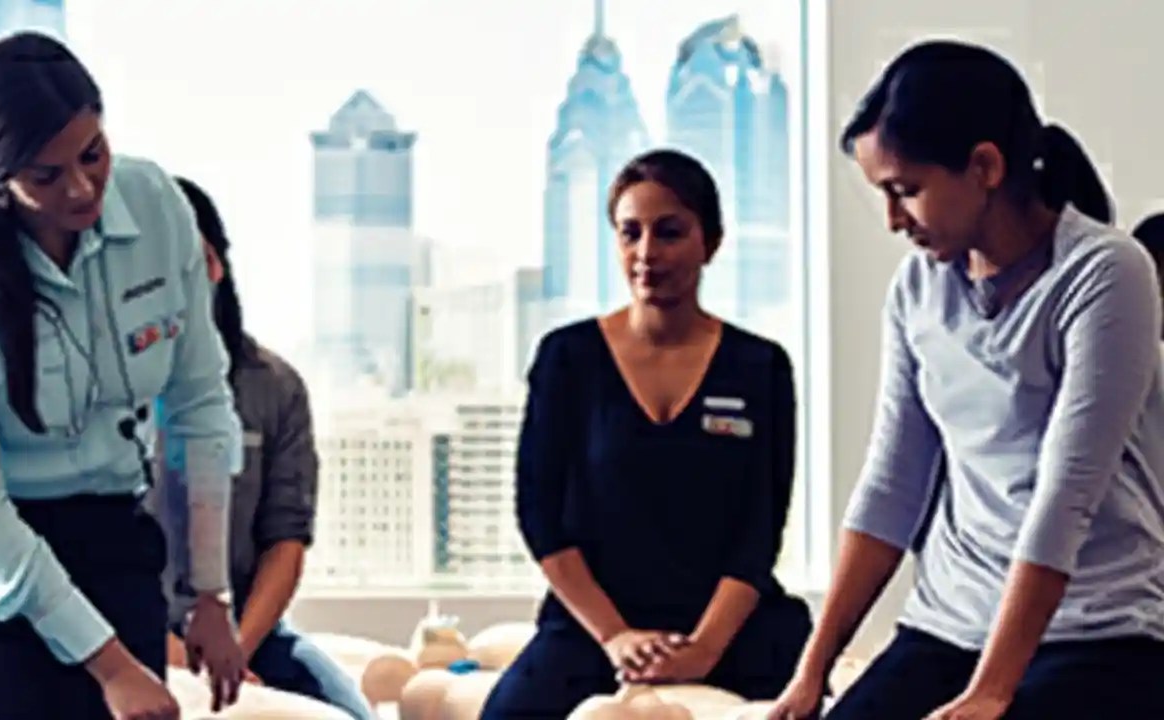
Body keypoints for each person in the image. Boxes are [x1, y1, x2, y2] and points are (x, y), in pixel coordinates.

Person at [766, 40, 1164, 720]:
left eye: (905, 191)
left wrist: (993, 690)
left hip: (1097, 628)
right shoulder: (918, 288)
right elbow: (891, 487)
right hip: (948, 623)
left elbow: (1063, 495)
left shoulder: (1105, 272)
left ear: (984, 166)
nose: (893, 220)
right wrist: (811, 674)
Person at [0, 32, 246, 719]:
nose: (81, 188)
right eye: (45, 175)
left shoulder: (158, 204)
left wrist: (208, 594)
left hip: (101, 524)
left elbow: (200, 403)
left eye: (92, 155)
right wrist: (112, 668)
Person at [481, 149, 812, 719]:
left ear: (711, 241)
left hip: (726, 628)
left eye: (670, 232)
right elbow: (539, 516)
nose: (647, 253)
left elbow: (758, 533)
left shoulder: (760, 366)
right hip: (594, 626)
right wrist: (615, 637)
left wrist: (705, 649)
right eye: (630, 233)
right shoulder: (568, 358)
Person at [150, 177, 374, 720]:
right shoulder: (103, 391)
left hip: (249, 630)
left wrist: (237, 649)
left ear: (213, 265)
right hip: (128, 633)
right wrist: (168, 654)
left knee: (351, 713)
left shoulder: (272, 386)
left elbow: (286, 539)